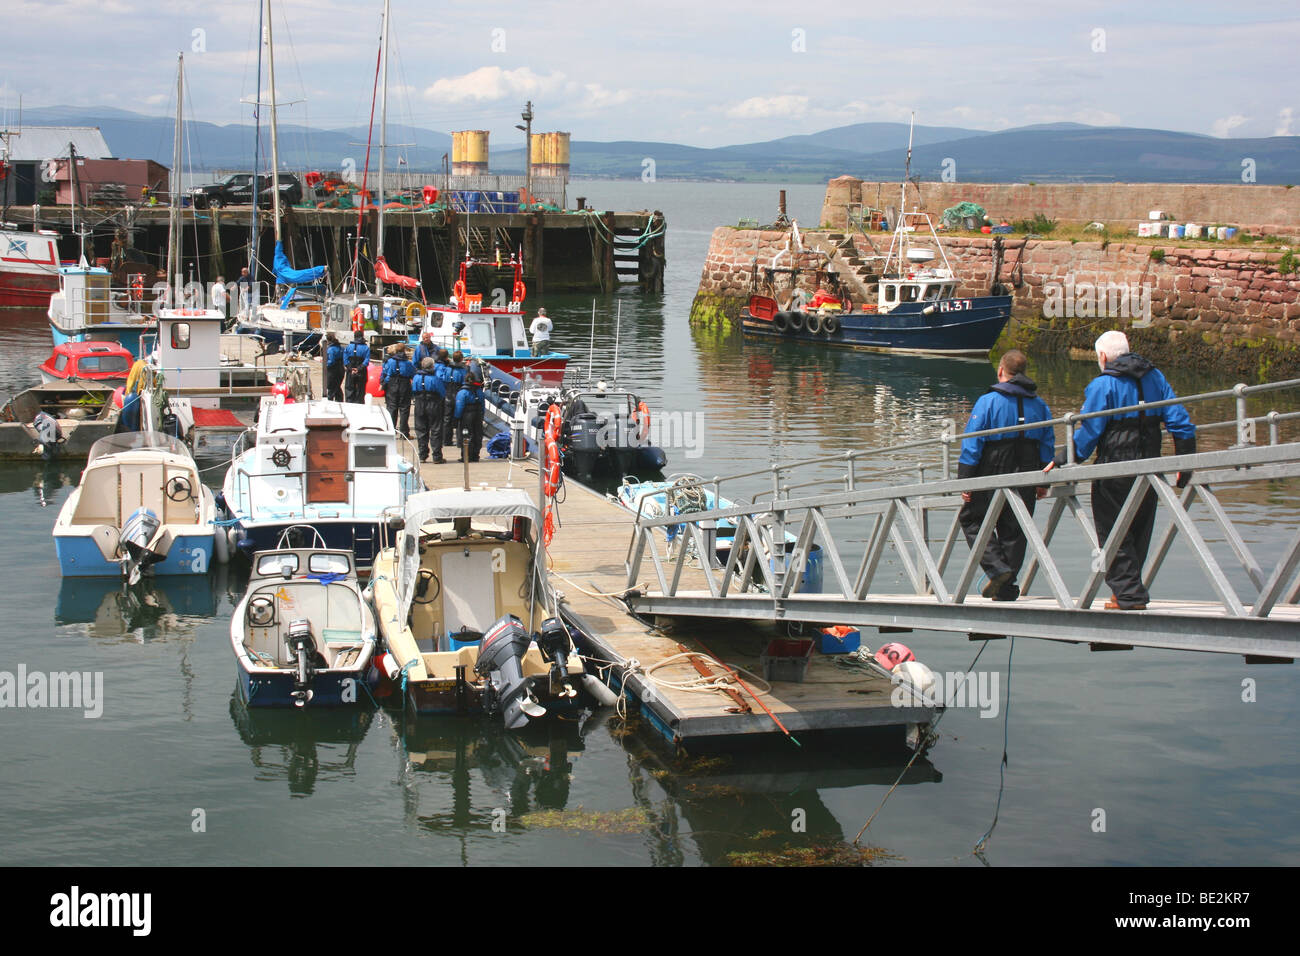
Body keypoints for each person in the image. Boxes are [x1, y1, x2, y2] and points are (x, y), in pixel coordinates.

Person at [1052, 330, 1196, 610]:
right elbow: (1180, 421)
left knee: (1113, 530)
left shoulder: (1103, 385)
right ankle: (1127, 589)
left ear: (1103, 357)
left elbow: (1089, 431)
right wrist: (1185, 462)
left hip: (1114, 467)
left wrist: (1063, 458)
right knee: (1140, 528)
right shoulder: (1156, 378)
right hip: (1152, 467)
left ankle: (1128, 594)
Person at [957, 350, 1056, 601]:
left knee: (972, 518)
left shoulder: (988, 401)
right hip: (1028, 464)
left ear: (1001, 371)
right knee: (1015, 526)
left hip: (994, 462)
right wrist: (1044, 478)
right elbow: (1048, 441)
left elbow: (973, 441)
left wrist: (966, 478)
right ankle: (1007, 586)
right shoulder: (1040, 405)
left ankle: (997, 569)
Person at [411, 356, 445, 463]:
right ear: (432, 366)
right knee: (436, 429)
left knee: (421, 429)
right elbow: (442, 392)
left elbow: (413, 390)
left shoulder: (416, 377)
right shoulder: (435, 378)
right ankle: (437, 456)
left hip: (420, 403)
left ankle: (422, 455)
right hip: (433, 403)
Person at [382, 343, 415, 435]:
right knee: (404, 409)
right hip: (404, 384)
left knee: (392, 407)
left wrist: (383, 383)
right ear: (404, 350)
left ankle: (391, 430)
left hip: (392, 384)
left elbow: (385, 372)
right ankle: (404, 432)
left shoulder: (390, 361)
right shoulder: (408, 363)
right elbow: (412, 374)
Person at [455, 368, 486, 462]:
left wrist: (457, 417)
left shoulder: (462, 392)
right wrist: (482, 415)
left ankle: (466, 455)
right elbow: (483, 405)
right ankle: (475, 455)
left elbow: (459, 406)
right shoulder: (479, 391)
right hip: (478, 414)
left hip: (466, 415)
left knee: (466, 435)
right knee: (477, 434)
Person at [441, 349, 467, 450]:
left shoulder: (447, 369)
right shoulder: (463, 370)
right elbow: (464, 382)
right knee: (459, 418)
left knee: (447, 418)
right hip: (458, 394)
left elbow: (443, 379)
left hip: (448, 393)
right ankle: (459, 442)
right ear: (461, 359)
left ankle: (446, 440)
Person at [343, 330, 371, 404]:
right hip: (361, 372)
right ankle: (359, 405)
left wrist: (350, 368)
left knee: (349, 389)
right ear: (362, 336)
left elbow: (345, 359)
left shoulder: (349, 346)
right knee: (360, 391)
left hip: (350, 370)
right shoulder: (366, 348)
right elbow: (366, 361)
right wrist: (358, 369)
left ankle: (349, 405)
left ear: (354, 336)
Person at [322, 332, 344, 402]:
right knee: (337, 387)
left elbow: (331, 361)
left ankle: (329, 401)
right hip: (341, 369)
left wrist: (324, 364)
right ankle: (340, 401)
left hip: (333, 370)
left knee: (331, 387)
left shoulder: (331, 349)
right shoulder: (341, 348)